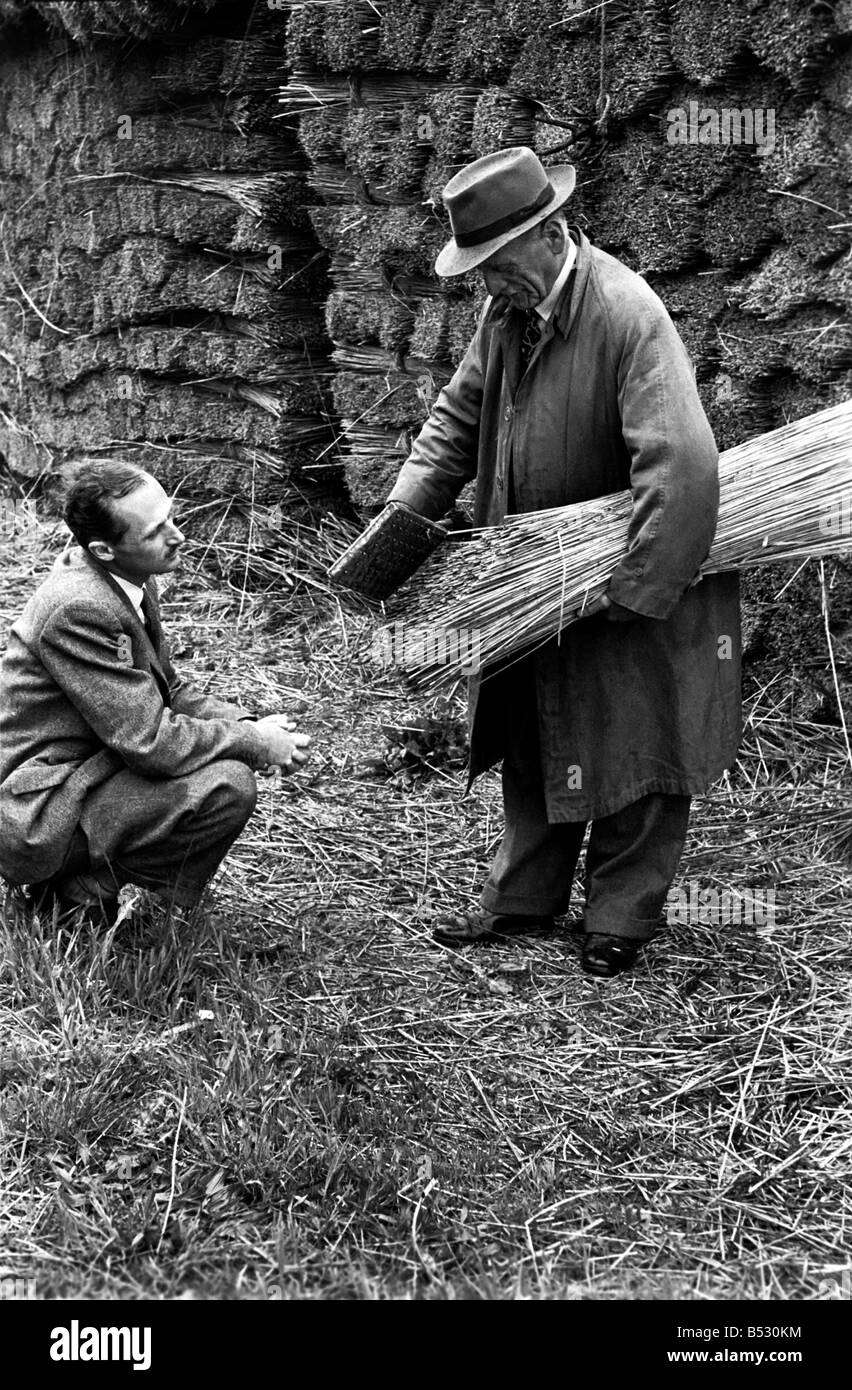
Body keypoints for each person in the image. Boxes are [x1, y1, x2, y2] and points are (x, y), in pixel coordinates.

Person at [385, 147, 742, 977]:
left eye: (495, 266)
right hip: (538, 579)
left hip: (633, 574)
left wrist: (639, 587)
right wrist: (403, 518)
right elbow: (455, 419)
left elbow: (681, 463)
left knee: (639, 740)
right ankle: (521, 901)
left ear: (548, 234)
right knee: (538, 732)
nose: (486, 285)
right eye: (477, 271)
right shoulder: (506, 316)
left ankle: (621, 918)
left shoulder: (626, 313)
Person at [0, 461, 310, 925]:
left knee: (221, 775)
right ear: (104, 549)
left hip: (85, 770)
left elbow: (169, 689)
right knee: (226, 786)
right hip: (39, 809)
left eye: (170, 516)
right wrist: (255, 744)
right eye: (154, 531)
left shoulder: (122, 578)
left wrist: (246, 724)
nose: (177, 535)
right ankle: (80, 896)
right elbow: (150, 742)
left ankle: (90, 887)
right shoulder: (82, 607)